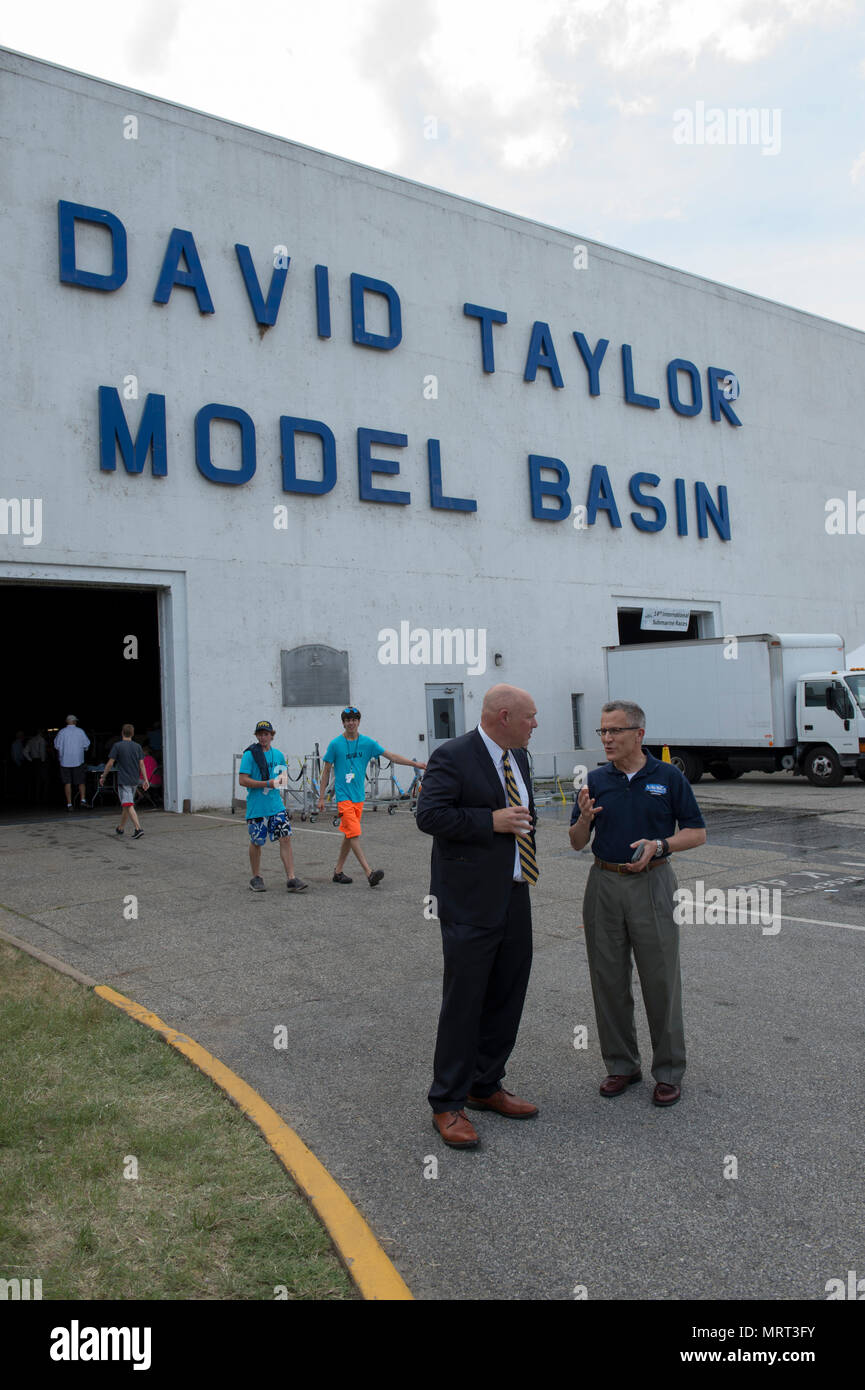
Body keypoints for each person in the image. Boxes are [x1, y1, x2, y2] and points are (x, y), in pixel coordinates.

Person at [416, 684, 540, 1149]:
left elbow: (523, 815)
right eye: (529, 717)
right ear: (504, 716)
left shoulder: (519, 756)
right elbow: (429, 816)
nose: (534, 725)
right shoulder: (453, 755)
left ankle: (485, 1085)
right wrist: (490, 821)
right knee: (465, 1000)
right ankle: (447, 1103)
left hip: (514, 892)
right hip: (469, 901)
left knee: (508, 993)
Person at [569, 701, 707, 1108]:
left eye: (615, 731)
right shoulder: (594, 780)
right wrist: (581, 819)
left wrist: (661, 844)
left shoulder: (668, 777)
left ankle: (667, 1072)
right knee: (607, 979)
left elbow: (697, 832)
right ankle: (621, 1065)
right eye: (602, 732)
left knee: (660, 979)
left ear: (639, 734)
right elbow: (577, 842)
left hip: (653, 882)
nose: (607, 739)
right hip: (604, 882)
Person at [319, 707, 425, 887]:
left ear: (359, 722)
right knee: (353, 833)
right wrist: (321, 797)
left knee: (349, 834)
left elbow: (391, 756)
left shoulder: (367, 743)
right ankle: (369, 873)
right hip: (343, 797)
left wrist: (415, 764)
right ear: (343, 723)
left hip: (358, 797)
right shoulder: (335, 744)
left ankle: (338, 872)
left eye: (354, 719)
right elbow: (326, 770)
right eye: (347, 720)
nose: (351, 722)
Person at [238, 720, 308, 893]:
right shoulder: (250, 755)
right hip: (257, 808)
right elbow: (243, 780)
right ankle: (256, 877)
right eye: (260, 734)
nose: (263, 737)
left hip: (276, 806)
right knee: (257, 842)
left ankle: (291, 878)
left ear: (272, 736)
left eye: (266, 734)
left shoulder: (278, 755)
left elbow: (283, 780)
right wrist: (266, 783)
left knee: (285, 838)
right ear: (256, 736)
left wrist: (278, 782)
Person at [100, 724, 149, 839]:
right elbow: (141, 764)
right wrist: (145, 779)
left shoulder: (117, 746)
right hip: (134, 780)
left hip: (124, 780)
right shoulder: (137, 747)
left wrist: (103, 776)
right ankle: (121, 828)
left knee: (128, 804)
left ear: (122, 733)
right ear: (132, 734)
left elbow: (110, 763)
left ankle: (138, 828)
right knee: (126, 805)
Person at [54, 715, 91, 809]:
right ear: (75, 722)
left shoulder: (62, 732)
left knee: (67, 782)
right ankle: (83, 800)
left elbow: (56, 745)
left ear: (67, 722)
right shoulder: (80, 731)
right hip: (78, 760)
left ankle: (69, 804)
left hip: (65, 761)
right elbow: (86, 744)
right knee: (81, 781)